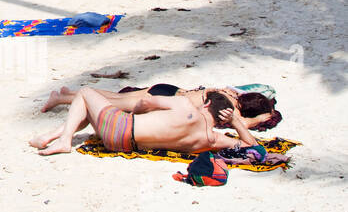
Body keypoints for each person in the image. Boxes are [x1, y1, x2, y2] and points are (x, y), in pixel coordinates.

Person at [29, 86, 261, 156]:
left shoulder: (184, 105)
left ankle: (63, 140)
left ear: (207, 104)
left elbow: (144, 105)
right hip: (124, 145)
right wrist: (237, 124)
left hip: (120, 127)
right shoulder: (211, 138)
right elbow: (253, 147)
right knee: (88, 111)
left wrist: (145, 110)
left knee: (85, 93)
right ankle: (49, 137)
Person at [40, 84, 280, 132]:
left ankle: (68, 94)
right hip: (164, 98)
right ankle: (61, 99)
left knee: (115, 98)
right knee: (114, 103)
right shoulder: (232, 109)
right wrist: (262, 118)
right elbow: (244, 125)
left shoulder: (228, 91)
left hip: (168, 89)